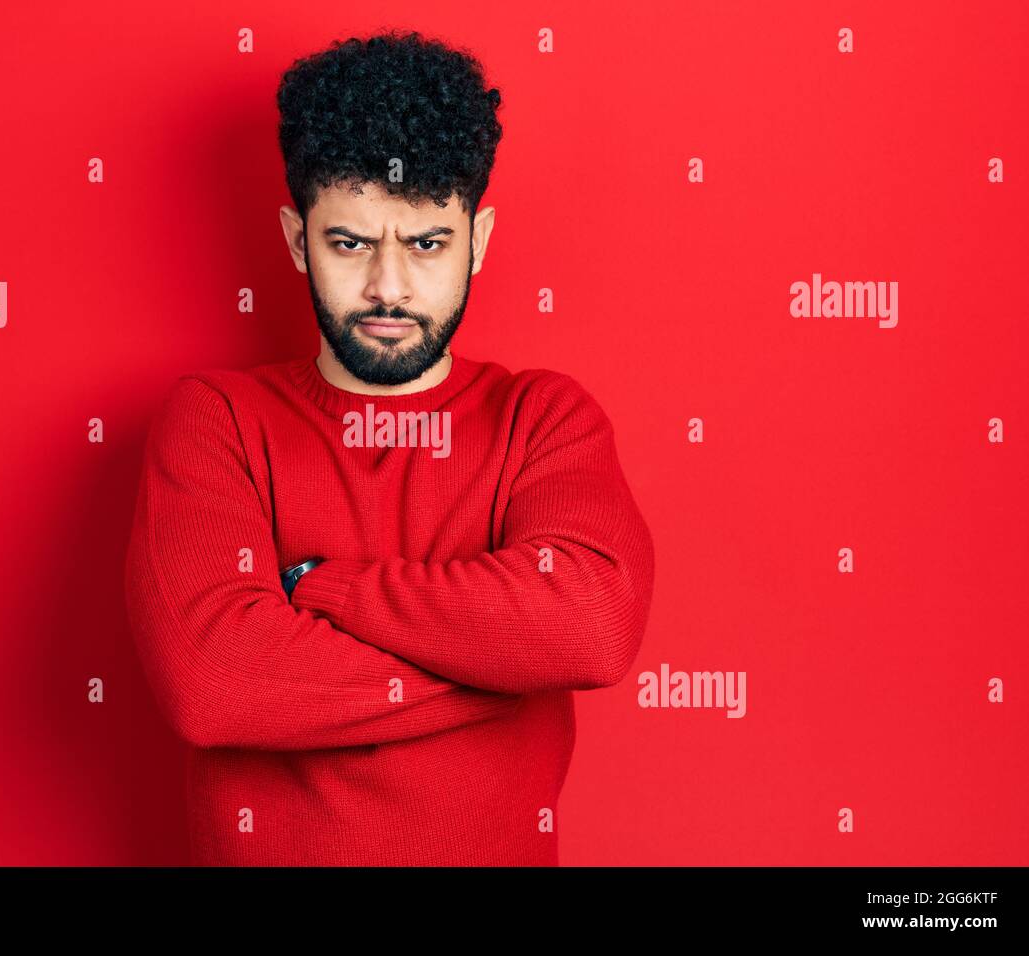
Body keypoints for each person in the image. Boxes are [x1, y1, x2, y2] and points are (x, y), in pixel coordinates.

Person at [124, 29, 655, 866]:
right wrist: (503, 669)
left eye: (427, 243)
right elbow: (215, 684)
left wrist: (319, 586)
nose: (389, 287)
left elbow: (589, 624)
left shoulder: (543, 418)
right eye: (351, 243)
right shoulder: (217, 418)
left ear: (477, 240)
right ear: (299, 240)